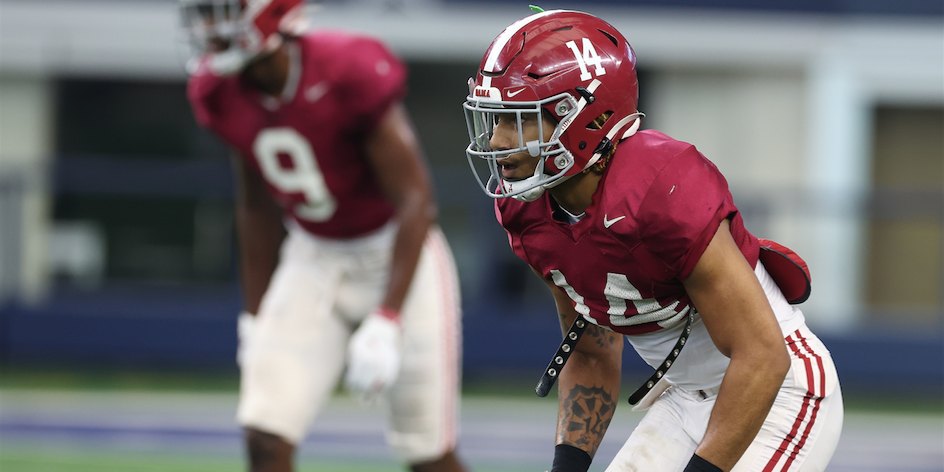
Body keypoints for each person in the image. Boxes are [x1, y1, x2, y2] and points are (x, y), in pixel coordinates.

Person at [462, 8, 843, 472]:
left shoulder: (660, 189)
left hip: (779, 392)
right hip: (685, 398)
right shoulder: (527, 210)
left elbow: (762, 357)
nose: (497, 141)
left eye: (518, 120)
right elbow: (591, 351)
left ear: (586, 119)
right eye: (496, 119)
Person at [180, 1, 468, 471]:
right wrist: (254, 316)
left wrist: (388, 317)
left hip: (396, 252)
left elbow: (416, 199)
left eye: (223, 9)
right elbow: (256, 207)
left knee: (427, 455)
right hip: (314, 255)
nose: (208, 26)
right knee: (265, 433)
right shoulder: (219, 91)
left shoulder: (345, 68)